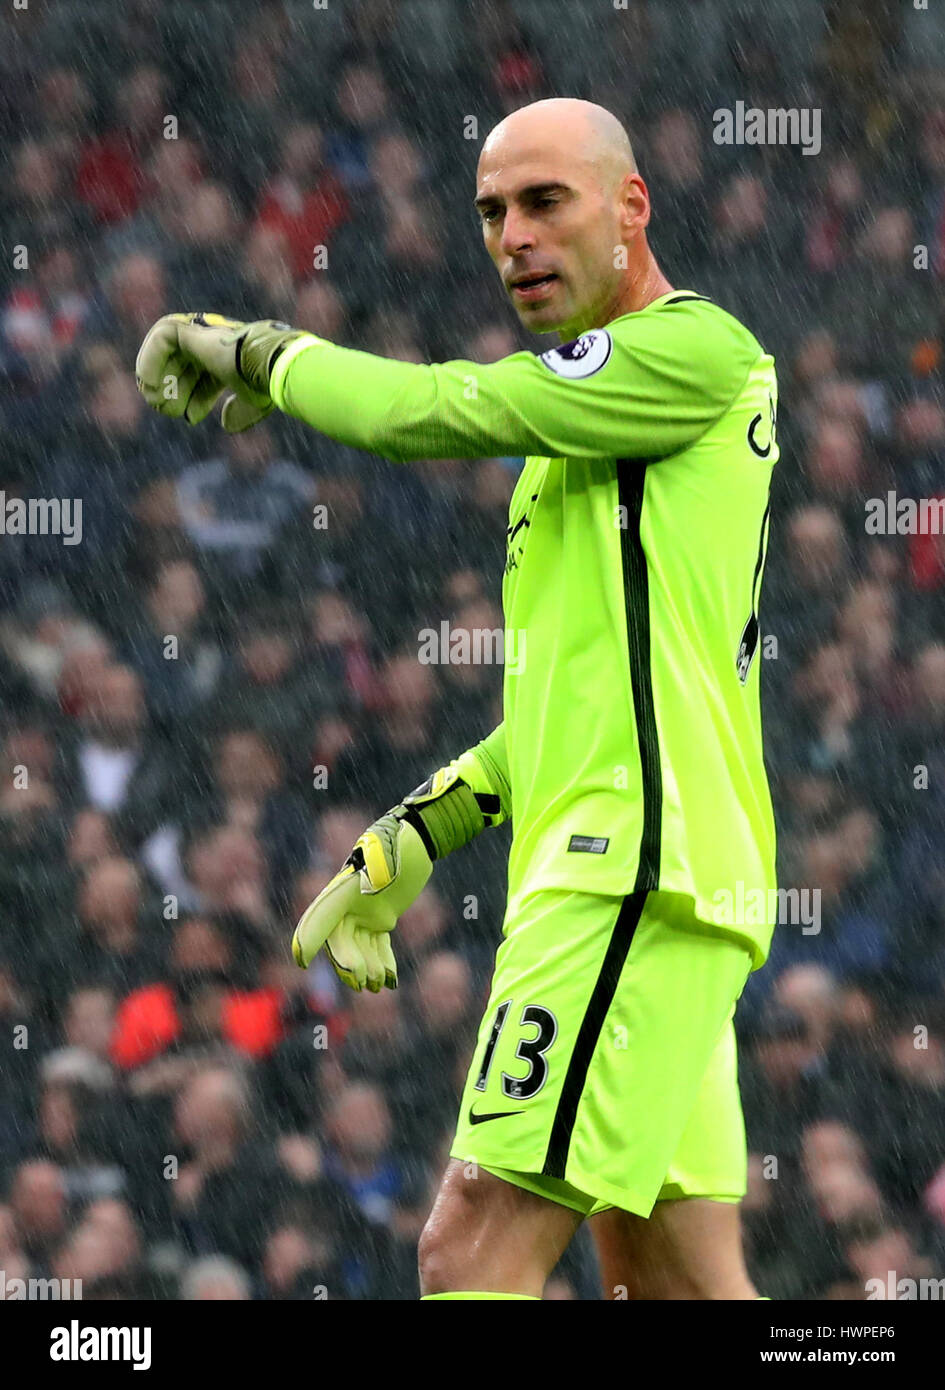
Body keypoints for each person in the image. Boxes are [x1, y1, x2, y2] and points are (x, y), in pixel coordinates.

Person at [135, 96, 779, 1301]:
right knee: (669, 1284)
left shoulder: (693, 352)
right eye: (492, 212)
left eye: (546, 202)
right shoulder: (587, 425)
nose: (513, 237)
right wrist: (418, 831)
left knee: (470, 1251)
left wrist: (268, 352)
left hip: (623, 878)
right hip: (664, 880)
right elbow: (567, 708)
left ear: (632, 205)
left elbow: (435, 411)